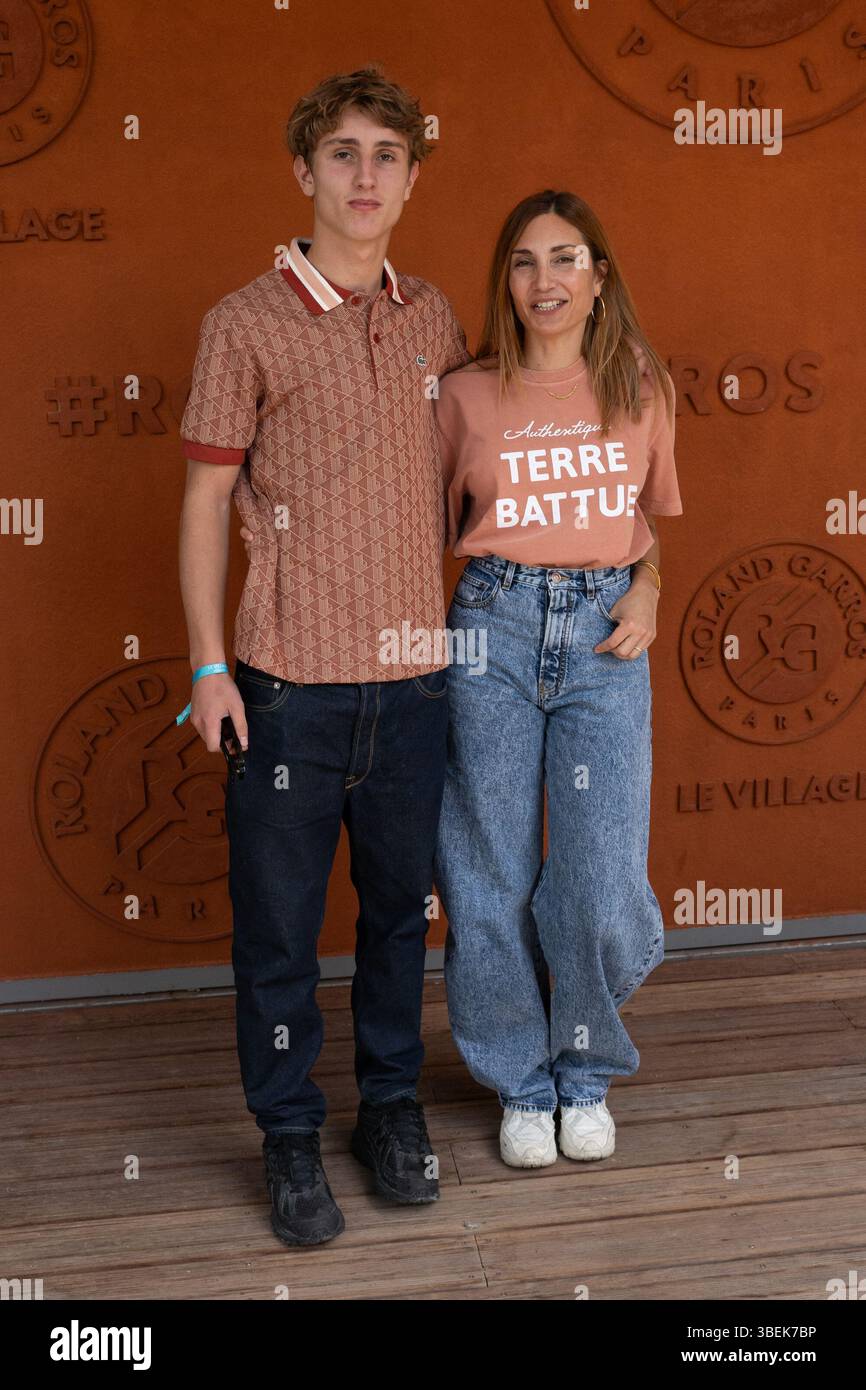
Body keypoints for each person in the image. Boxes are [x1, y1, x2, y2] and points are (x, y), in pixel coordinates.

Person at [177, 65, 470, 1247]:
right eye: (342, 153)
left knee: (399, 914)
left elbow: (486, 457)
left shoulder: (434, 315)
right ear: (304, 172)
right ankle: (290, 1134)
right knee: (280, 928)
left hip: (412, 684)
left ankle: (387, 1110)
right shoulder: (242, 322)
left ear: (409, 177)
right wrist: (207, 666)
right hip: (286, 687)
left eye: (385, 155)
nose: (364, 175)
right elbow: (204, 503)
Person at [432, 190, 683, 1168]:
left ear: (597, 275)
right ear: (506, 278)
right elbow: (417, 529)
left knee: (599, 877)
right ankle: (523, 1085)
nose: (545, 280)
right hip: (488, 628)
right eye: (525, 261)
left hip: (601, 637)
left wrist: (649, 590)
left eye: (565, 259)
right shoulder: (463, 397)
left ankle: (583, 1066)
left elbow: (645, 526)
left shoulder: (639, 385)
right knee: (486, 870)